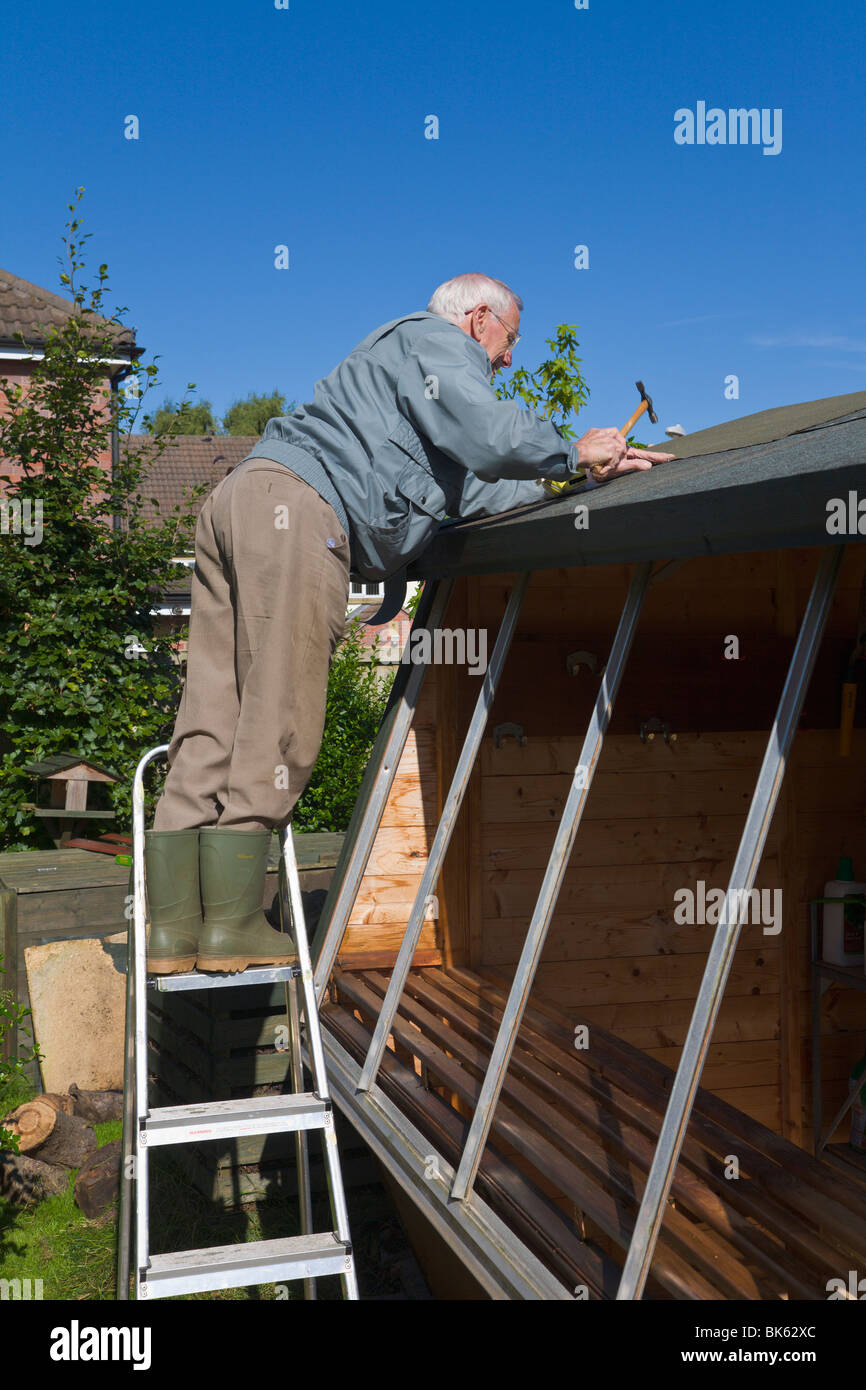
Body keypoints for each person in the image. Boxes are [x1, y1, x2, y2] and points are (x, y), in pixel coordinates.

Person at [144, 272, 674, 974]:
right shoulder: (434, 341)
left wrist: (576, 481)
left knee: (214, 709)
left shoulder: (406, 389)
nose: (510, 358)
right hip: (297, 513)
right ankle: (233, 928)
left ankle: (173, 933)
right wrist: (571, 448)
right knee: (280, 715)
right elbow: (488, 432)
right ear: (481, 318)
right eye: (511, 340)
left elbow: (485, 488)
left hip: (242, 500)